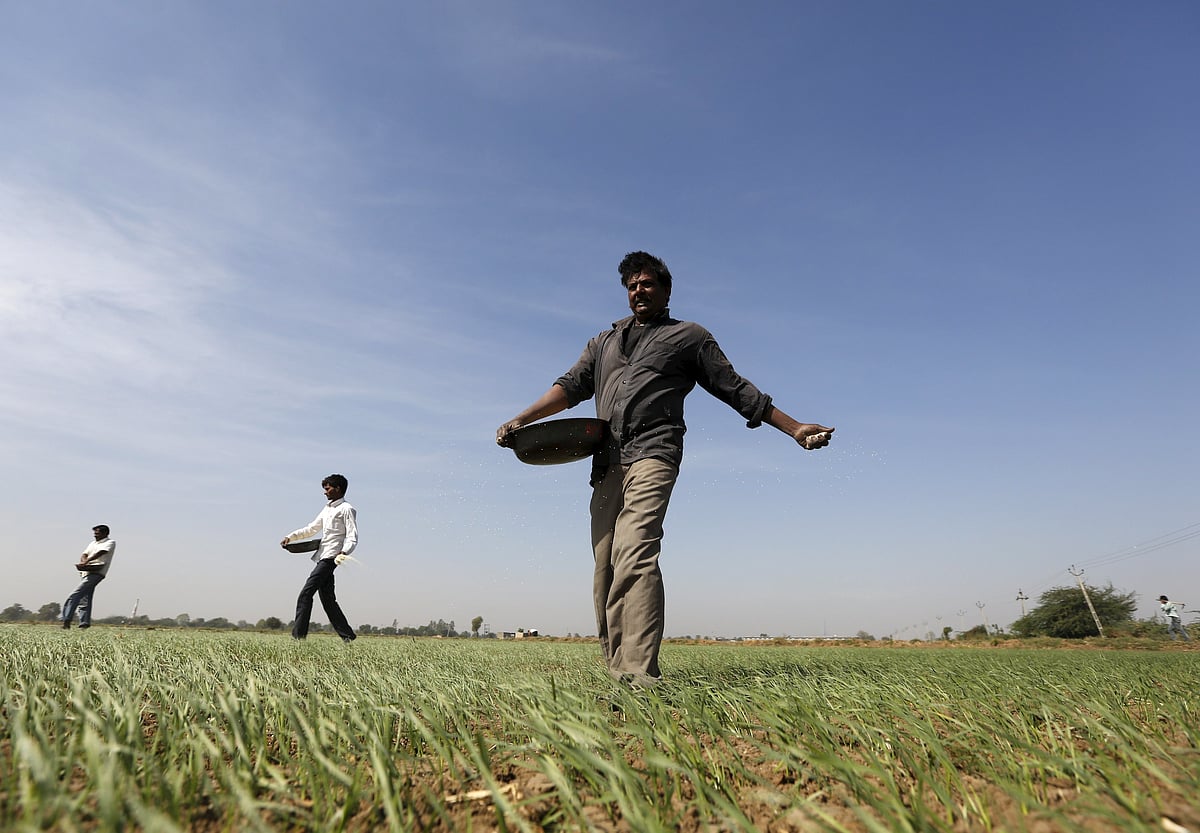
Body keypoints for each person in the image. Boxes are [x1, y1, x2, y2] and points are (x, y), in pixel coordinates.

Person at [496, 251, 834, 686]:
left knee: (635, 550)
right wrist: (524, 419)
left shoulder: (688, 337)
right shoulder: (604, 342)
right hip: (607, 461)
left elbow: (735, 389)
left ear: (666, 290)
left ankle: (639, 673)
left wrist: (793, 428)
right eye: (632, 285)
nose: (639, 290)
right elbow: (568, 388)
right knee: (606, 566)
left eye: (648, 284)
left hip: (654, 453)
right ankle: (617, 669)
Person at [280, 474, 359, 642]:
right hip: (322, 555)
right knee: (329, 601)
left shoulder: (347, 509)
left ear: (338, 488)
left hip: (331, 557)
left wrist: (344, 552)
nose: (325, 492)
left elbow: (352, 536)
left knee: (306, 593)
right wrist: (291, 537)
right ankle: (348, 637)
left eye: (328, 488)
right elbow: (312, 528)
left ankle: (298, 638)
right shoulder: (328, 509)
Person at [62, 524, 116, 629]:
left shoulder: (110, 542)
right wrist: (83, 562)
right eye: (95, 533)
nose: (95, 535)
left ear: (105, 533)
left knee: (75, 595)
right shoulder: (92, 543)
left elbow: (101, 552)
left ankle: (66, 620)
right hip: (86, 572)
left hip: (97, 573)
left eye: (97, 533)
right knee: (85, 598)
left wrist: (87, 561)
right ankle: (84, 623)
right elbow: (84, 554)